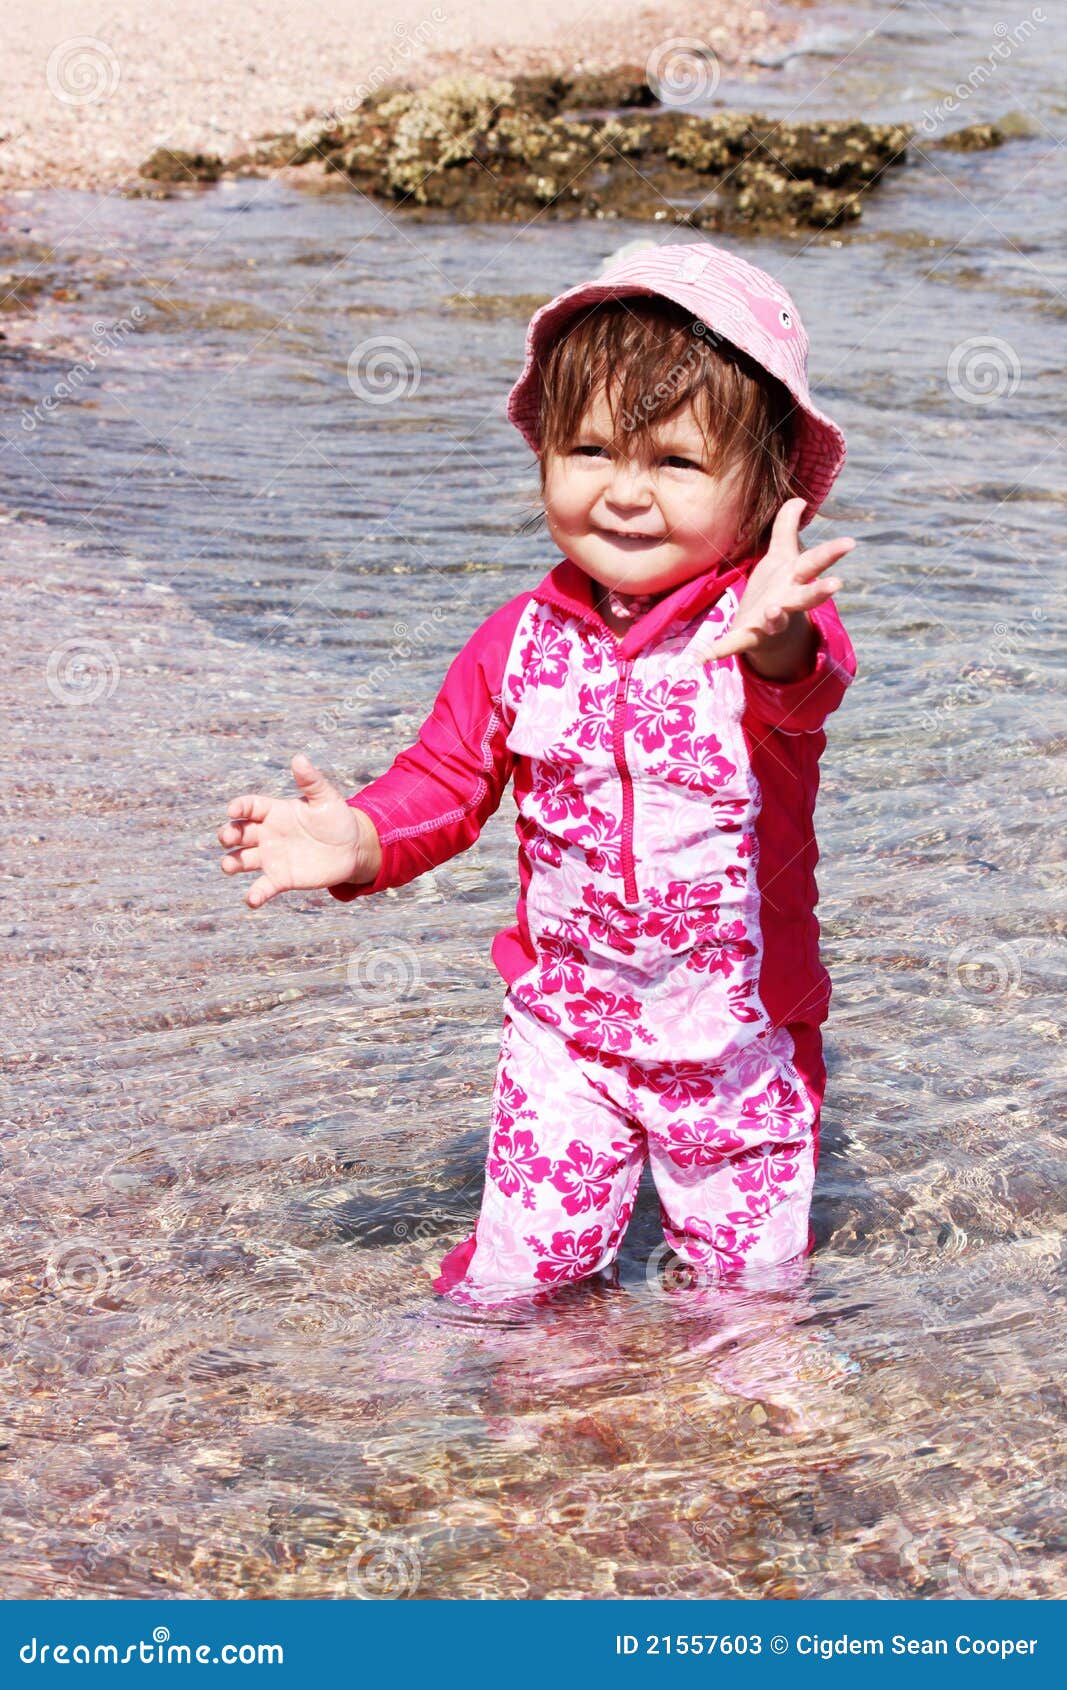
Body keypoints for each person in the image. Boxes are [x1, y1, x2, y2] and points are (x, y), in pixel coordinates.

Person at [218, 241, 858, 1312]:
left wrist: (774, 634)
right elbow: (445, 782)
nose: (623, 492)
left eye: (675, 462)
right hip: (564, 1032)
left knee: (745, 1300)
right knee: (521, 1280)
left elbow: (806, 687)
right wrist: (359, 842)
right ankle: (504, 1447)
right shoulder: (518, 641)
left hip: (735, 1041)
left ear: (763, 492)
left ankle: (754, 1460)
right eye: (591, 450)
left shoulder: (765, 630)